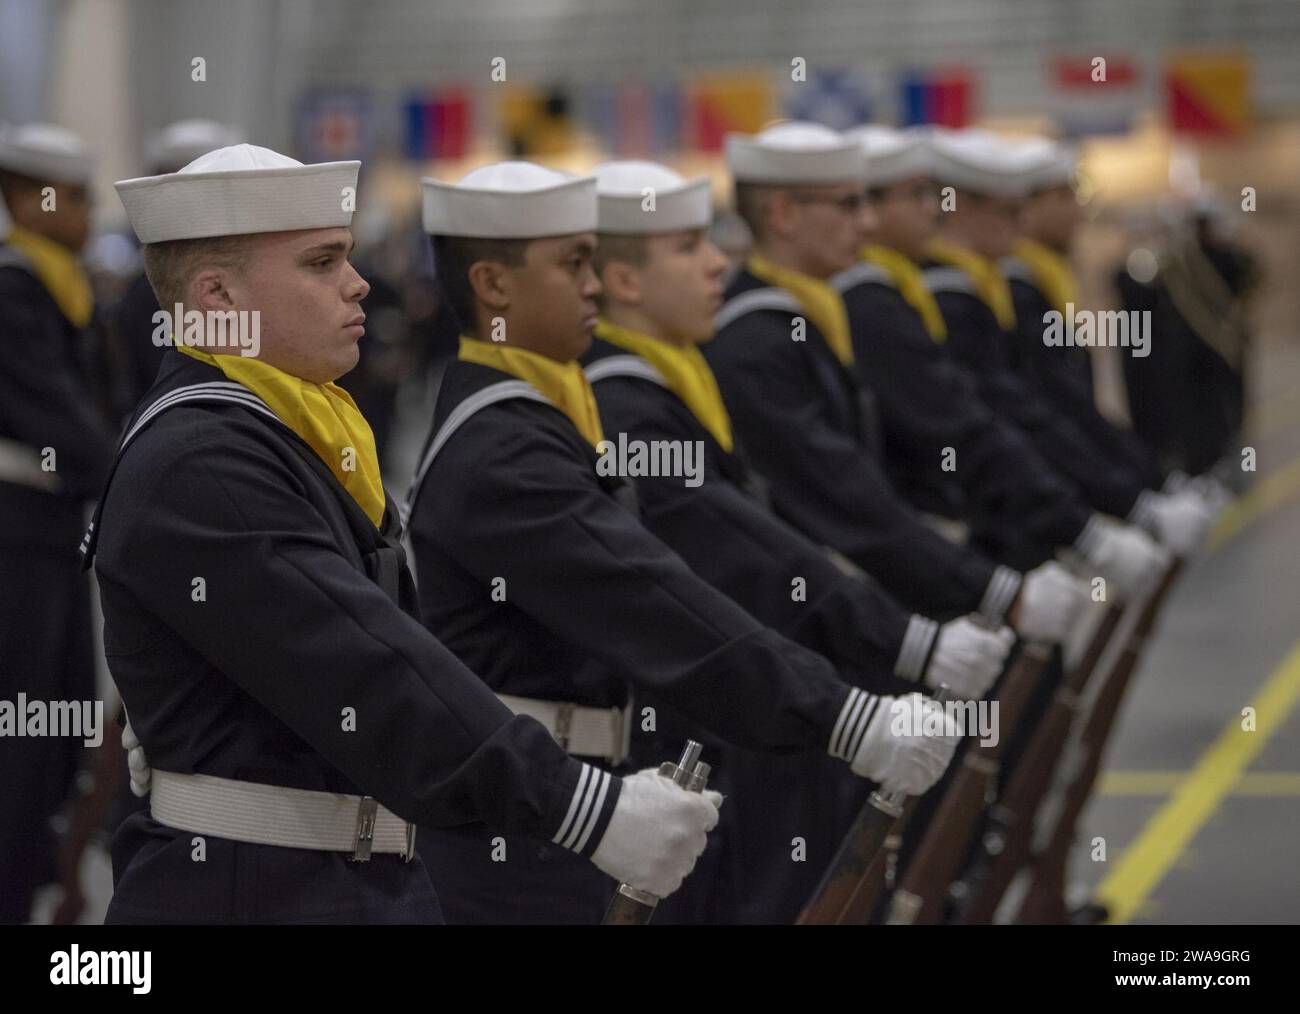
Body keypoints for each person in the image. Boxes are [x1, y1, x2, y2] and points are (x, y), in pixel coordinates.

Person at [86, 142, 720, 924]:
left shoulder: (287, 434)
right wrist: (580, 803)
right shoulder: (200, 460)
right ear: (218, 295)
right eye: (321, 263)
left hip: (340, 879)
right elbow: (368, 668)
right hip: (252, 894)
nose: (358, 284)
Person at [405, 160, 961, 923]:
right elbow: (653, 596)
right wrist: (843, 713)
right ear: (495, 286)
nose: (595, 282)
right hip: (533, 830)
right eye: (573, 263)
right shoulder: (505, 448)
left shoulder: (544, 413)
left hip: (579, 797)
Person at [581, 158, 1016, 921]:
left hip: (755, 690)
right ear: (624, 282)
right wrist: (914, 637)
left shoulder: (676, 376)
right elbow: (748, 543)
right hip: (697, 719)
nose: (720, 259)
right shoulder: (627, 401)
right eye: (690, 247)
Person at [921, 128, 1216, 558]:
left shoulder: (1022, 284)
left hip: (1027, 501)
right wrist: (1123, 502)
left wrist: (1141, 485)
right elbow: (1036, 410)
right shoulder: (985, 292)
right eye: (1010, 210)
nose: (1078, 213)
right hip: (994, 512)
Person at [0, 123, 118, 923]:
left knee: (64, 705)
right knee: (22, 712)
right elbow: (61, 420)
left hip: (52, 530)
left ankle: (37, 867)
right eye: (70, 197)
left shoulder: (61, 285)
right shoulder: (13, 289)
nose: (83, 213)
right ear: (23, 199)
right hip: (15, 532)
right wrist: (127, 471)